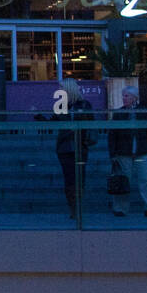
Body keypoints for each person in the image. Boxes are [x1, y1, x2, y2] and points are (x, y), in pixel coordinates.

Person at [108, 85, 147, 217]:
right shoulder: (119, 113)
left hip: (140, 150)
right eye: (123, 96)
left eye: (127, 96)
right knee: (124, 180)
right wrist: (113, 153)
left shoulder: (142, 112)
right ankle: (120, 208)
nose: (124, 98)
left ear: (134, 98)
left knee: (146, 179)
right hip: (124, 151)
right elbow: (112, 134)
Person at [48, 78, 95, 220]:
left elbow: (90, 124)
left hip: (80, 145)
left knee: (79, 177)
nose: (59, 90)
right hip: (65, 147)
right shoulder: (60, 105)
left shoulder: (84, 105)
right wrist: (39, 117)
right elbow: (53, 122)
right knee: (69, 178)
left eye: (61, 88)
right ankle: (73, 208)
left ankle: (78, 207)